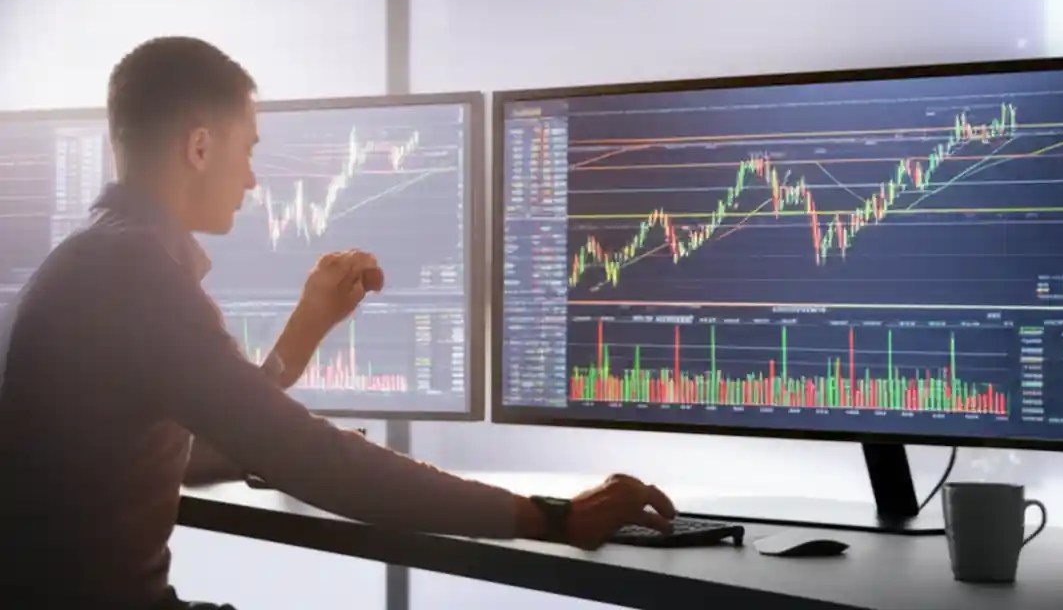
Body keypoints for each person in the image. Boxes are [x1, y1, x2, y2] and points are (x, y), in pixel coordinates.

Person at [0, 37, 676, 610]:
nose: (253, 181)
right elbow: (316, 464)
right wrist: (552, 515)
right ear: (200, 147)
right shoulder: (137, 275)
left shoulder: (92, 255)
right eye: (248, 149)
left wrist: (303, 333)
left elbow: (178, 437)